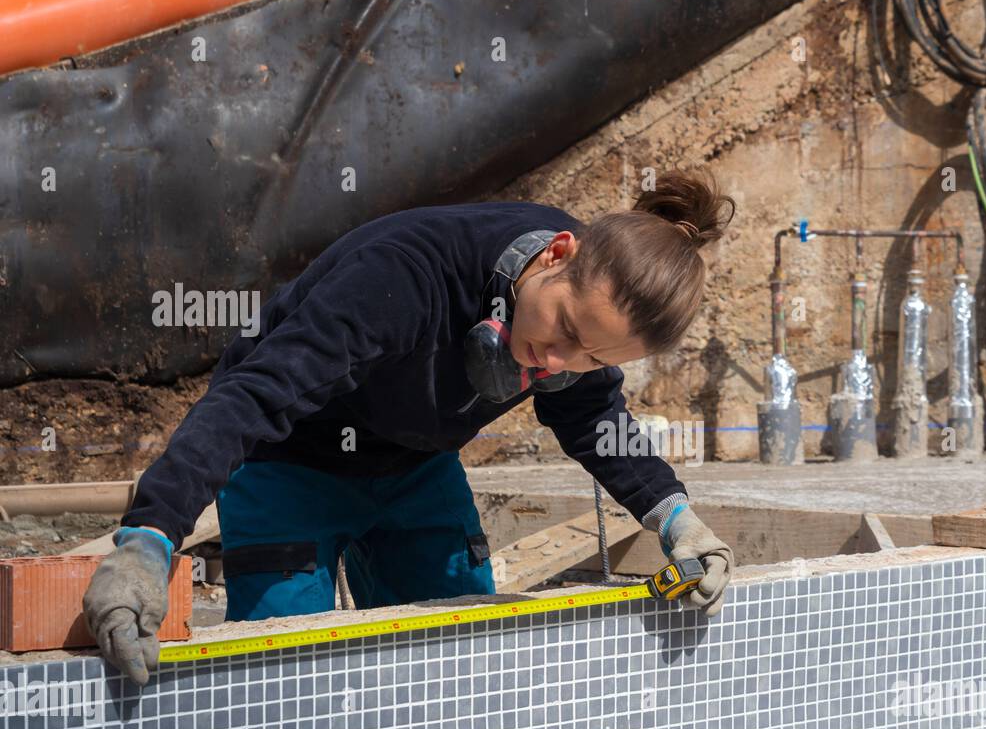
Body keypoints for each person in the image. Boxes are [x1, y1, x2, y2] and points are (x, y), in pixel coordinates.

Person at [82, 169, 737, 691]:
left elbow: (592, 415)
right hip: (287, 459)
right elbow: (253, 397)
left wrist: (675, 517)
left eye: (593, 358)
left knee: (459, 671)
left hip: (414, 466)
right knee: (283, 683)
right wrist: (150, 539)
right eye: (563, 332)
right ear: (556, 254)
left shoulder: (585, 303)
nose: (559, 362)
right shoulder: (401, 280)